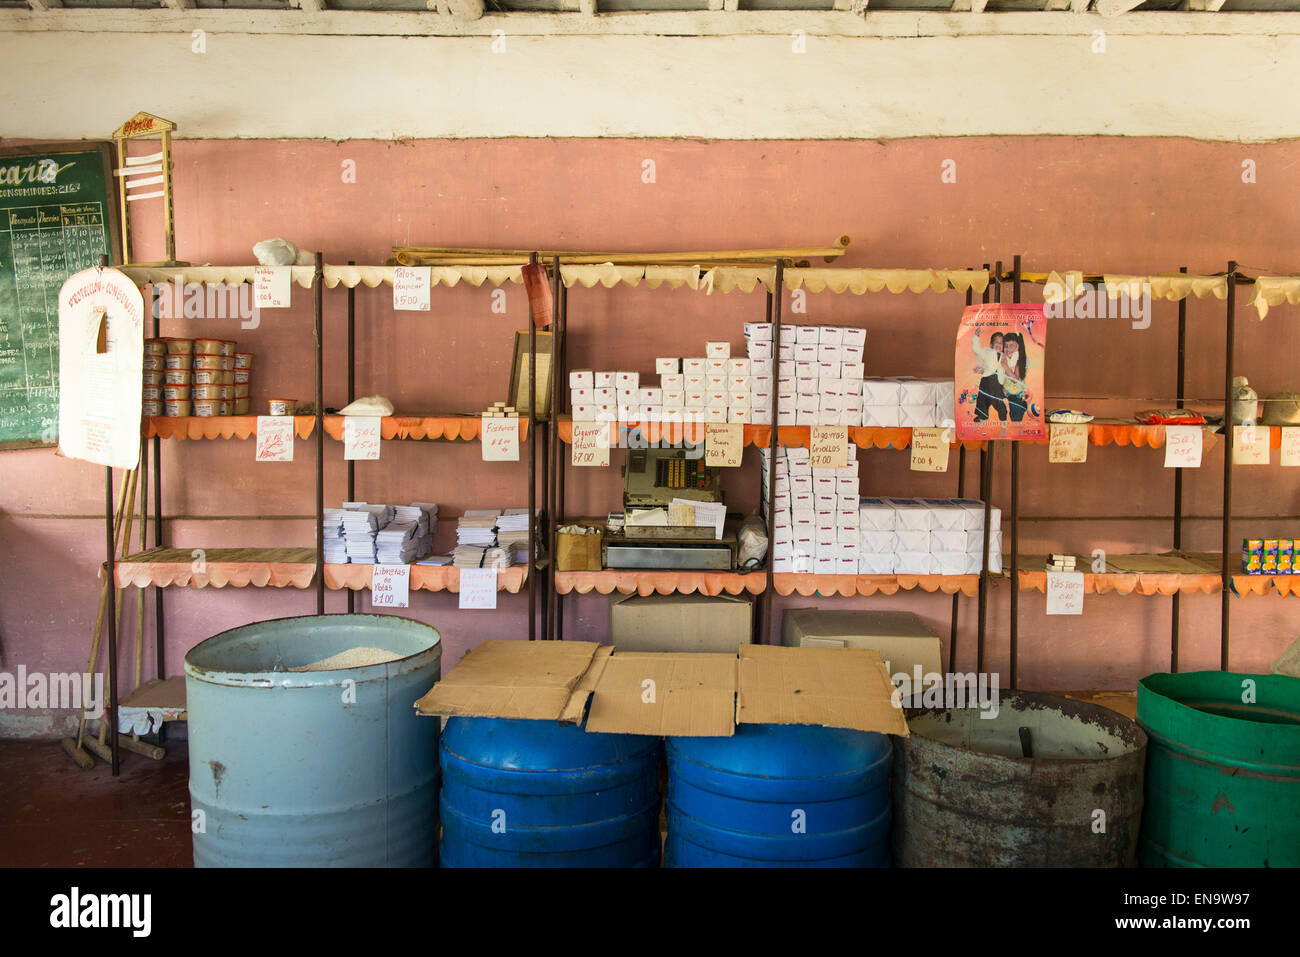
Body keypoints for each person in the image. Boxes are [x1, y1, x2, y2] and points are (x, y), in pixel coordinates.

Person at [971, 331, 1006, 422]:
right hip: (986, 380)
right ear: (991, 345)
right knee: (982, 399)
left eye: (1001, 343)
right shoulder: (987, 351)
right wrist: (976, 337)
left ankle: (1003, 417)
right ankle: (982, 416)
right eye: (996, 342)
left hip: (997, 382)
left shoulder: (1005, 356)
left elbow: (1009, 369)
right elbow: (977, 349)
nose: (999, 344)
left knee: (998, 401)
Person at [1001, 333, 1029, 422]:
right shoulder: (1003, 357)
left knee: (1015, 417)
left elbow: (1015, 380)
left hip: (1016, 391)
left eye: (1011, 346)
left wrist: (1005, 366)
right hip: (1004, 389)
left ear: (1017, 347)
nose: (1008, 349)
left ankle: (1023, 405)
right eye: (1006, 346)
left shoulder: (1020, 360)